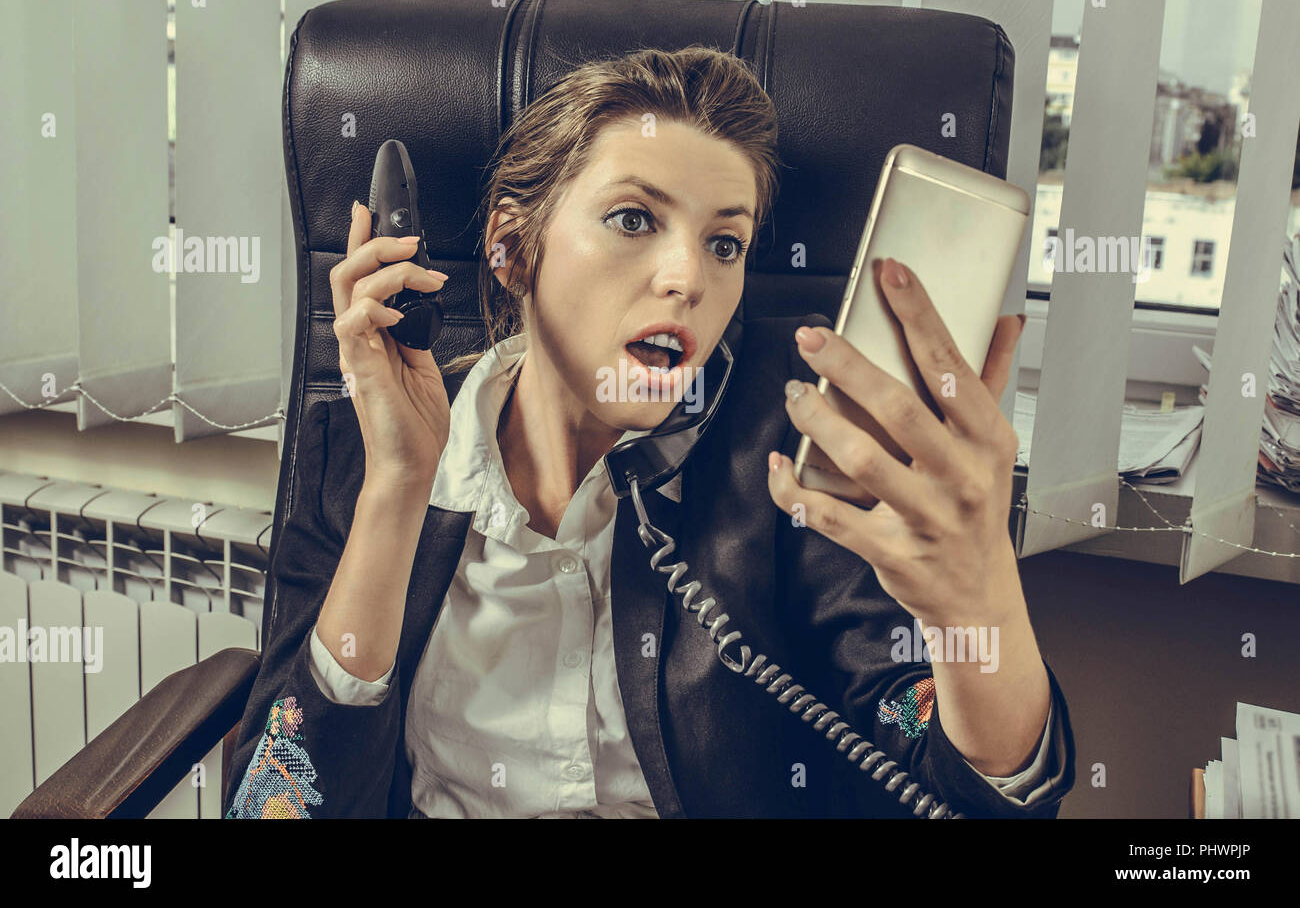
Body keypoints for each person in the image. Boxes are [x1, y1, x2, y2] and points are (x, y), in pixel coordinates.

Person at [224, 45, 1074, 819]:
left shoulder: (792, 434)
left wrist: (980, 607)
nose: (688, 278)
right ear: (513, 246)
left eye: (726, 243)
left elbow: (931, 754)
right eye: (634, 219)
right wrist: (399, 490)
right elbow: (277, 804)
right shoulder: (356, 456)